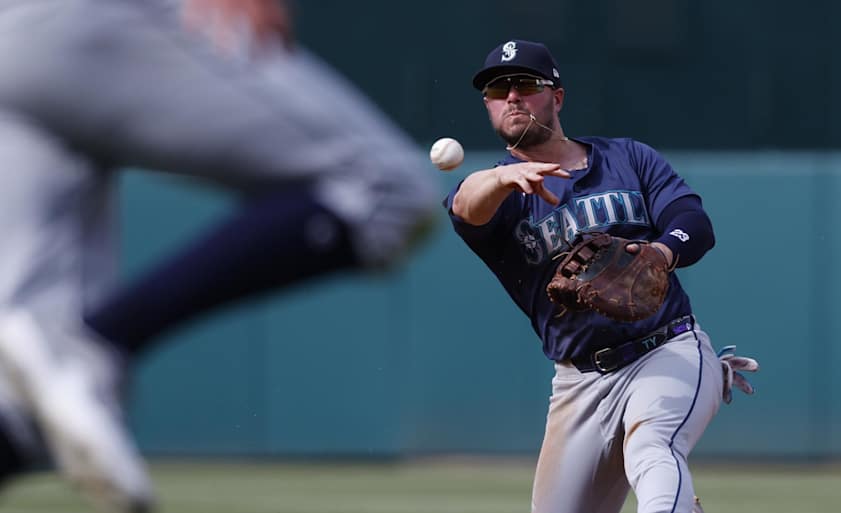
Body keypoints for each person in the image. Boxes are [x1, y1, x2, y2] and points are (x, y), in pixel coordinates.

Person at [0, 0, 438, 512]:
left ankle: (77, 355)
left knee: (30, 403)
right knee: (384, 189)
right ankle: (98, 342)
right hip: (90, 21)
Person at [444, 39, 755, 513]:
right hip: (579, 381)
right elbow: (465, 205)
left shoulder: (628, 158)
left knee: (652, 447)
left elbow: (695, 224)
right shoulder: (498, 193)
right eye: (496, 89)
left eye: (525, 85)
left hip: (665, 350)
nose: (511, 96)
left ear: (557, 97)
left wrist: (660, 252)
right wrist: (503, 178)